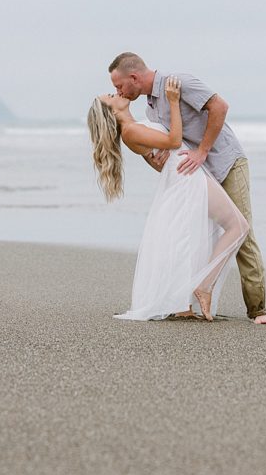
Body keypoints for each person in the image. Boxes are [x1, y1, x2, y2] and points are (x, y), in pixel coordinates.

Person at [107, 52, 266, 325]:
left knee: (243, 232)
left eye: (119, 86)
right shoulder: (150, 110)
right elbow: (172, 144)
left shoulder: (179, 83)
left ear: (134, 77)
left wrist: (202, 151)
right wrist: (160, 156)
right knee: (196, 235)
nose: (118, 91)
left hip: (225, 161)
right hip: (196, 174)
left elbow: (220, 107)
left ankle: (258, 311)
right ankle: (188, 300)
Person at [87, 76, 249, 321]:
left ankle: (185, 300)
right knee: (237, 226)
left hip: (183, 172)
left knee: (187, 240)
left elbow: (164, 153)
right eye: (110, 97)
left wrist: (167, 148)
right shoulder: (130, 131)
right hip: (186, 174)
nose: (115, 93)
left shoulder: (137, 125)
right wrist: (173, 101)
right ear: (110, 111)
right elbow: (174, 140)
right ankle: (204, 286)